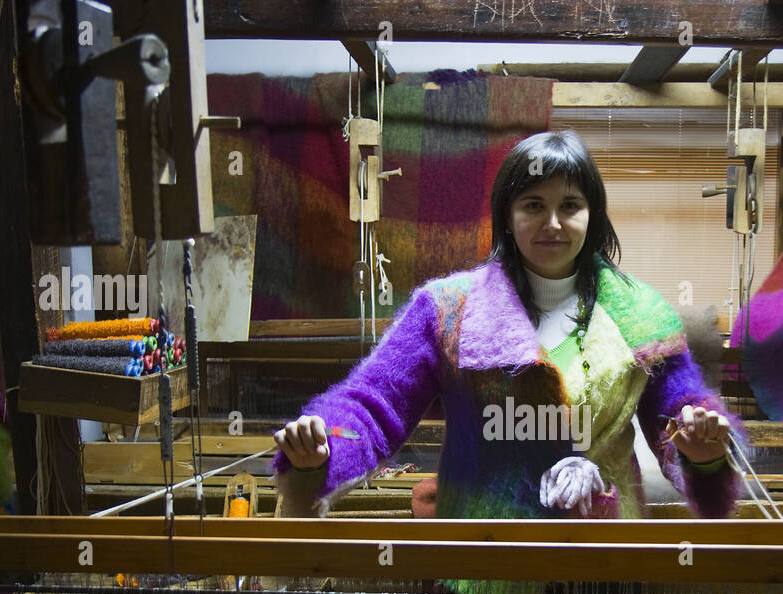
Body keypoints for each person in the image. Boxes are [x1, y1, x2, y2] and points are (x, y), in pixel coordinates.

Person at [273, 129, 742, 522]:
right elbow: (373, 405)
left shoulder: (643, 314)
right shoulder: (444, 310)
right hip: (483, 566)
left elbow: (679, 418)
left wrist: (704, 451)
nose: (553, 223)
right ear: (507, 215)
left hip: (610, 561)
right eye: (533, 205)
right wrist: (323, 446)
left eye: (571, 205)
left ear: (592, 215)